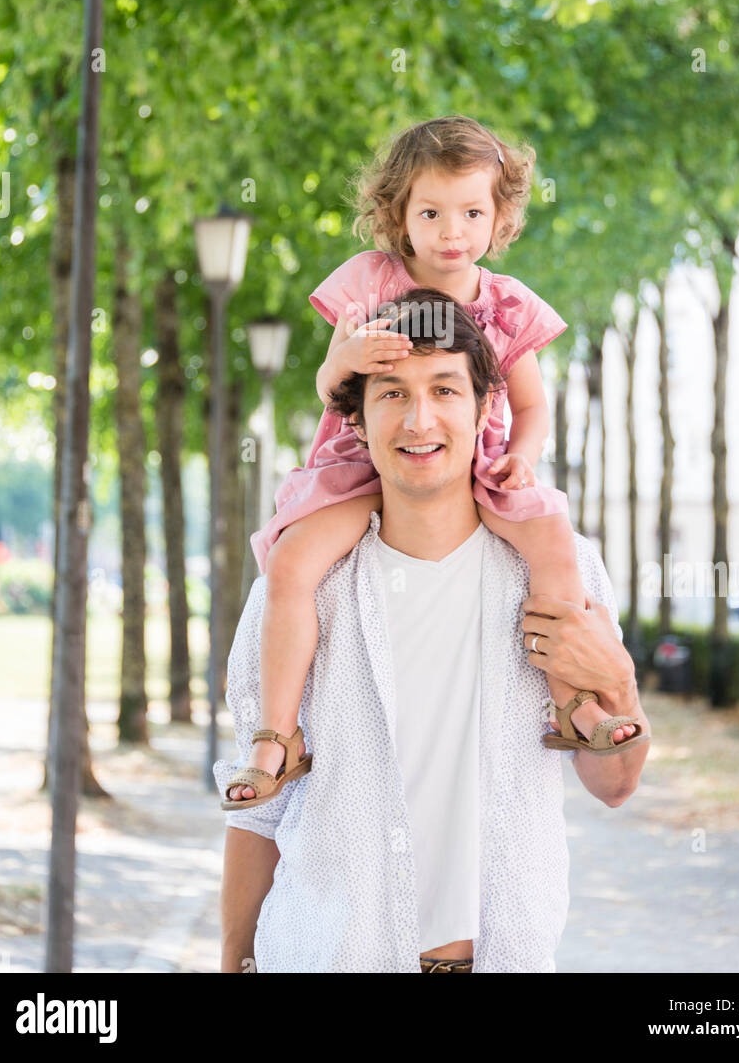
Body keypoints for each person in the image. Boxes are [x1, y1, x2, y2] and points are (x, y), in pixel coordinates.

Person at [215, 289, 651, 972]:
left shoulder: (560, 569)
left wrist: (618, 684)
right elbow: (256, 815)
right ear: (354, 422)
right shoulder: (296, 586)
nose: (420, 419)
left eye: (444, 389)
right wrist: (232, 963)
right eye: (391, 394)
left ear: (484, 410)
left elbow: (614, 785)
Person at [224, 115, 644, 806]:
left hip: (472, 463)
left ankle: (575, 703)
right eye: (431, 213)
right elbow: (331, 388)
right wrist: (349, 359)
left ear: (499, 217)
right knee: (294, 561)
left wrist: (520, 458)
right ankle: (277, 736)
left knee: (549, 535)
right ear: (399, 214)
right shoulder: (369, 285)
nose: (452, 232)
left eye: (471, 212)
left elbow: (533, 406)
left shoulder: (505, 307)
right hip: (362, 461)